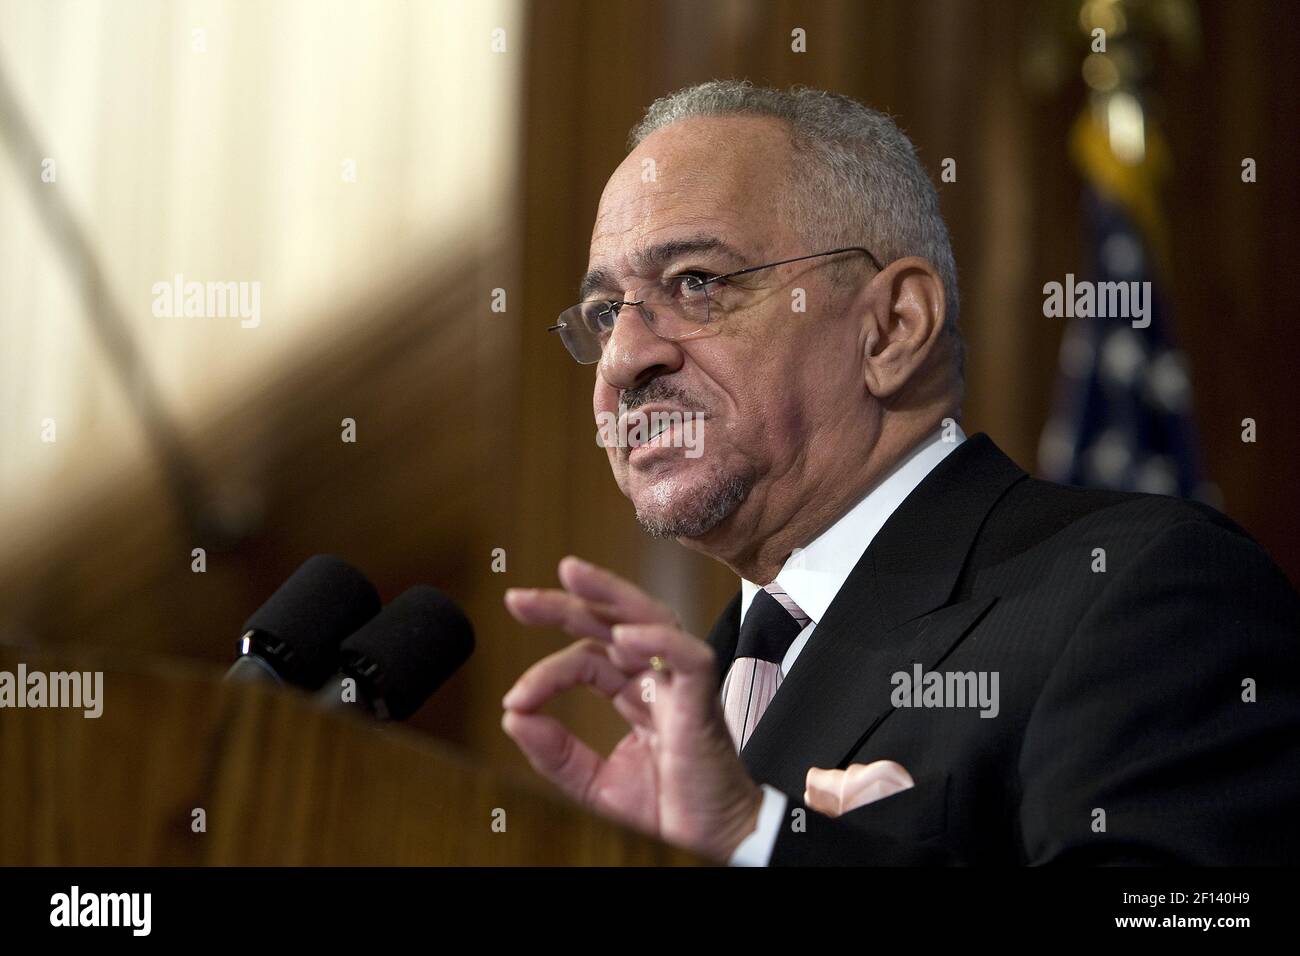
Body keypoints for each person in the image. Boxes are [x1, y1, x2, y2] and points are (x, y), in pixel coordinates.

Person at [500, 80, 1300, 865]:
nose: (626, 358)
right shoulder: (691, 720)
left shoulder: (1139, 592)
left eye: (697, 283)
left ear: (891, 328)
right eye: (606, 312)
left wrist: (763, 843)